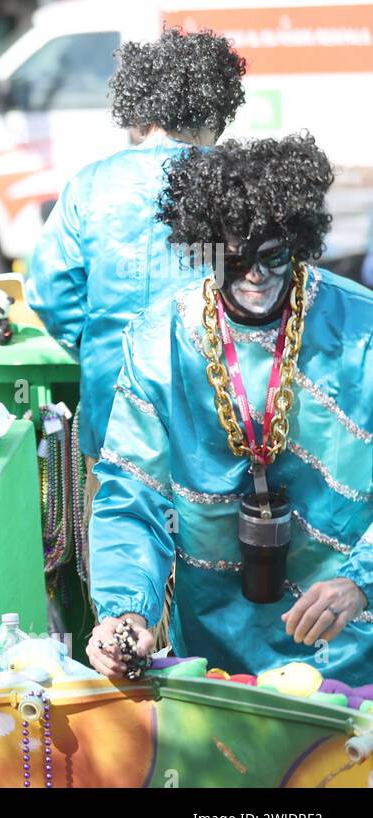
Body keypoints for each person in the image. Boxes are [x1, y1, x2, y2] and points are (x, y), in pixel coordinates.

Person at [86, 134, 373, 685]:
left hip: (353, 645)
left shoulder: (362, 329)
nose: (256, 276)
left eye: (272, 257)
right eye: (235, 259)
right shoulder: (158, 342)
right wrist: (126, 611)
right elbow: (133, 493)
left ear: (298, 243)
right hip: (217, 652)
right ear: (205, 250)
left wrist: (362, 581)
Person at [28, 28, 247, 534]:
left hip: (113, 407)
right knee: (210, 577)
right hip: (221, 414)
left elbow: (48, 290)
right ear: (214, 109)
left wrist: (99, 344)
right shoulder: (236, 183)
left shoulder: (90, 183)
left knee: (120, 563)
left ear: (141, 105)